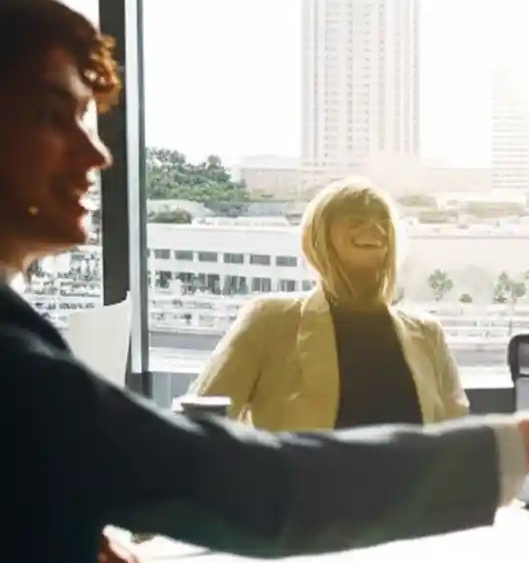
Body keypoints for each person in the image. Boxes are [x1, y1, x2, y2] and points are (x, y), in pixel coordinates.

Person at [0, 0, 529, 563]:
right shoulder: (18, 365)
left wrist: (58, 514)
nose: (97, 154)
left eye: (87, 119)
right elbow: (258, 483)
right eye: (54, 116)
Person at [190, 177, 468, 431]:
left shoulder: (428, 334)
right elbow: (200, 422)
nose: (374, 226)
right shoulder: (269, 321)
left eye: (383, 218)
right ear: (319, 235)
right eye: (356, 217)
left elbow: (456, 441)